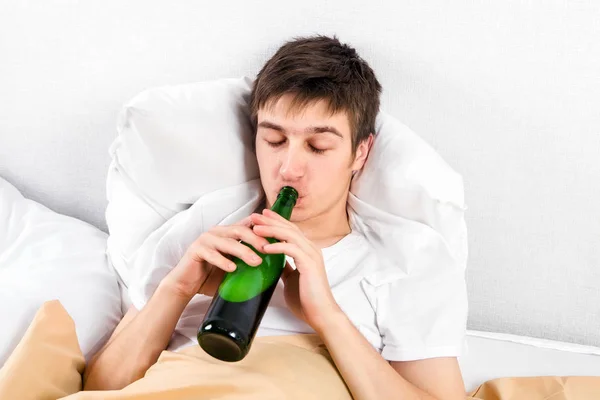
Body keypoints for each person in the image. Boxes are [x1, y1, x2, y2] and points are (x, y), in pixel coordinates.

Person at [83, 35, 467, 399]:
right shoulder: (206, 228)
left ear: (360, 154)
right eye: (274, 141)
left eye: (318, 147)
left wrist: (328, 317)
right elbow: (101, 385)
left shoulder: (407, 257)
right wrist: (177, 289)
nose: (289, 169)